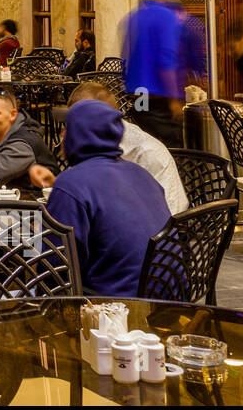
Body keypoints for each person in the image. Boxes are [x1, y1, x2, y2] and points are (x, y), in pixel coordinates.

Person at [44, 99, 171, 297]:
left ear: (80, 135)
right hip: (169, 297)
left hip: (115, 307)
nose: (62, 135)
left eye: (68, 129)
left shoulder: (71, 184)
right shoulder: (140, 173)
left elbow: (54, 267)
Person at [29, 82, 189, 215]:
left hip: (157, 244)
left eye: (78, 121)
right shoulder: (96, 148)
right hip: (111, 235)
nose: (66, 133)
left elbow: (170, 216)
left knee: (27, 242)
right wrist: (57, 184)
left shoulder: (147, 154)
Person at [121, 0, 204, 147]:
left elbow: (125, 57)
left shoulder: (133, 17)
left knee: (144, 136)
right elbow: (166, 59)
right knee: (172, 142)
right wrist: (173, 100)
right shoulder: (166, 16)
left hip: (139, 92)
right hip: (159, 96)